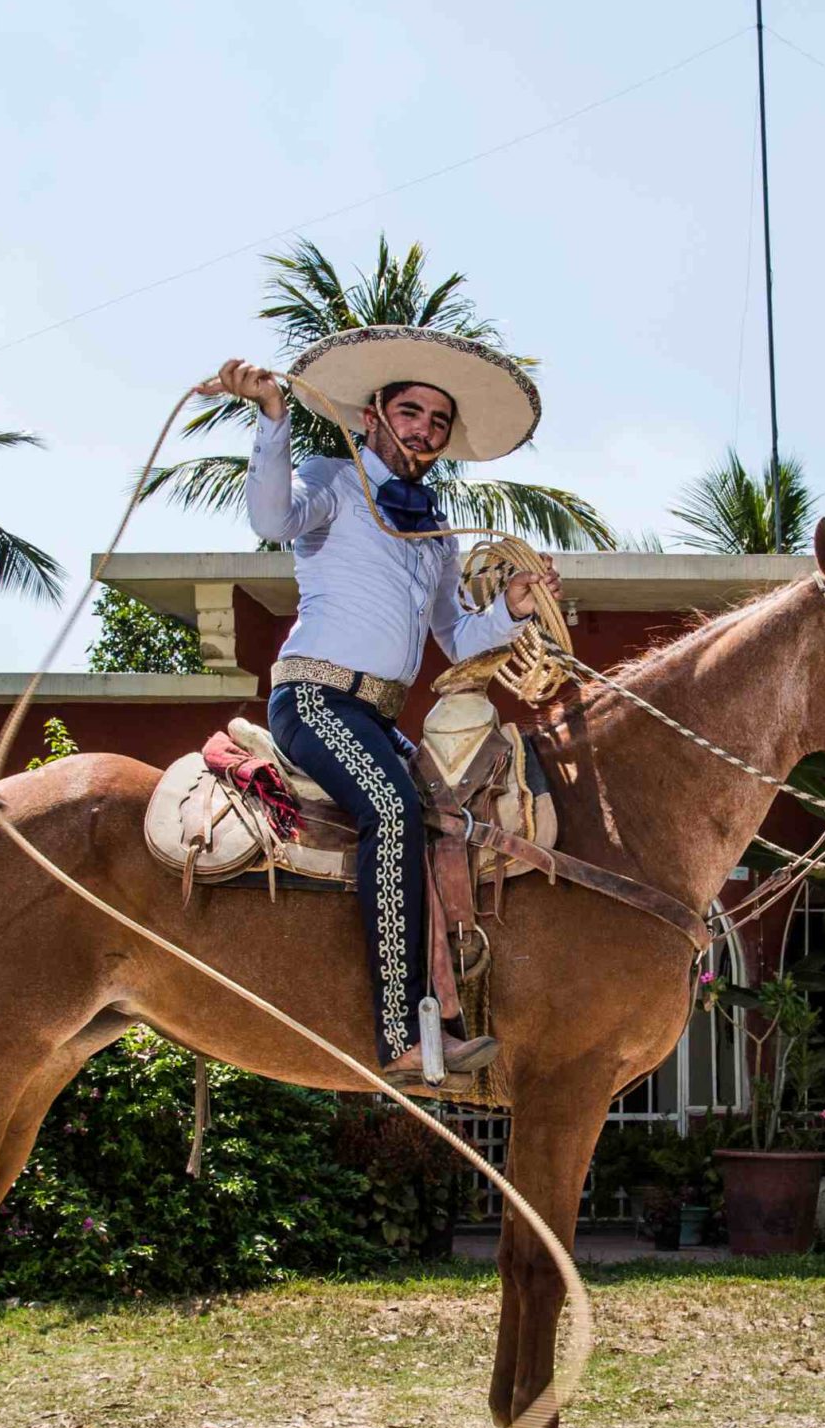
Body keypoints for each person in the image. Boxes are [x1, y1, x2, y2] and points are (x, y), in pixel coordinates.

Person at [204, 326, 561, 1084]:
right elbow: (271, 521)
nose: (424, 429)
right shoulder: (333, 484)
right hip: (312, 698)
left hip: (376, 717)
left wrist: (517, 609)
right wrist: (272, 417)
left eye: (437, 421)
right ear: (374, 415)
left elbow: (457, 637)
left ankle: (447, 1017)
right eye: (411, 412)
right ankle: (399, 1036)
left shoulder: (435, 536)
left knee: (447, 814)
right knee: (393, 812)